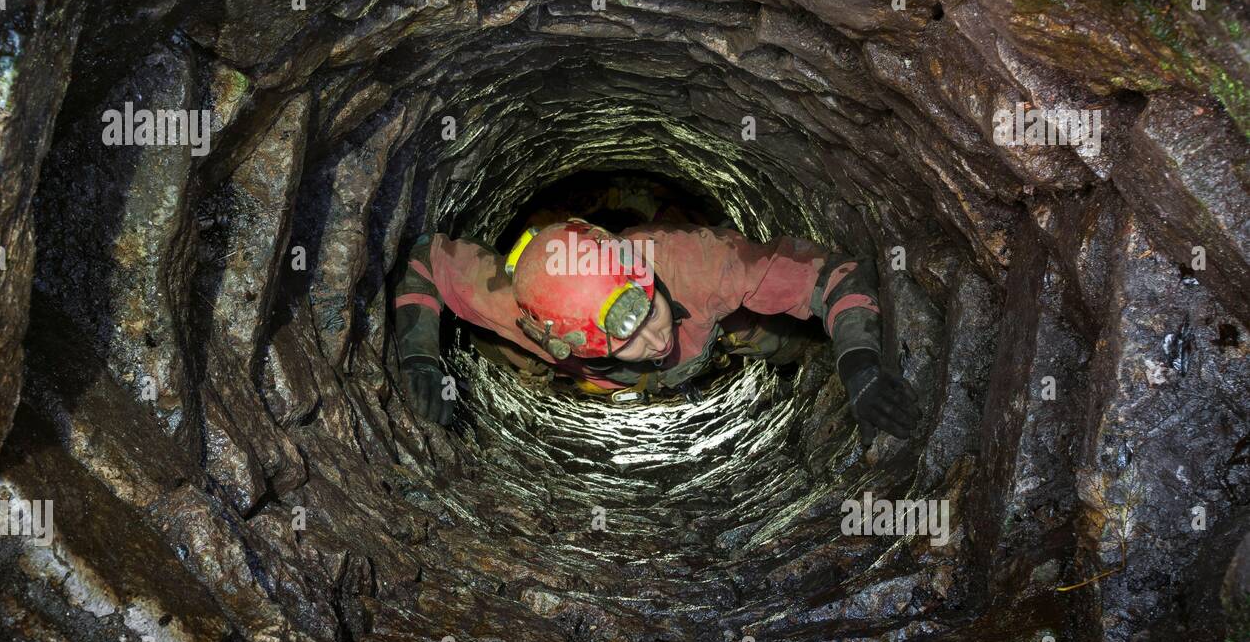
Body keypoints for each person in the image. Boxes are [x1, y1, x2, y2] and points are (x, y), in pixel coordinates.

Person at [393, 219, 920, 442]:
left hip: (714, 333)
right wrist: (420, 358)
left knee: (784, 343)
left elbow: (831, 275)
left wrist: (859, 363)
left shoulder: (701, 265)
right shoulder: (520, 309)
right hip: (595, 378)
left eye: (651, 310)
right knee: (502, 354)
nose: (655, 340)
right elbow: (427, 260)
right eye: (629, 340)